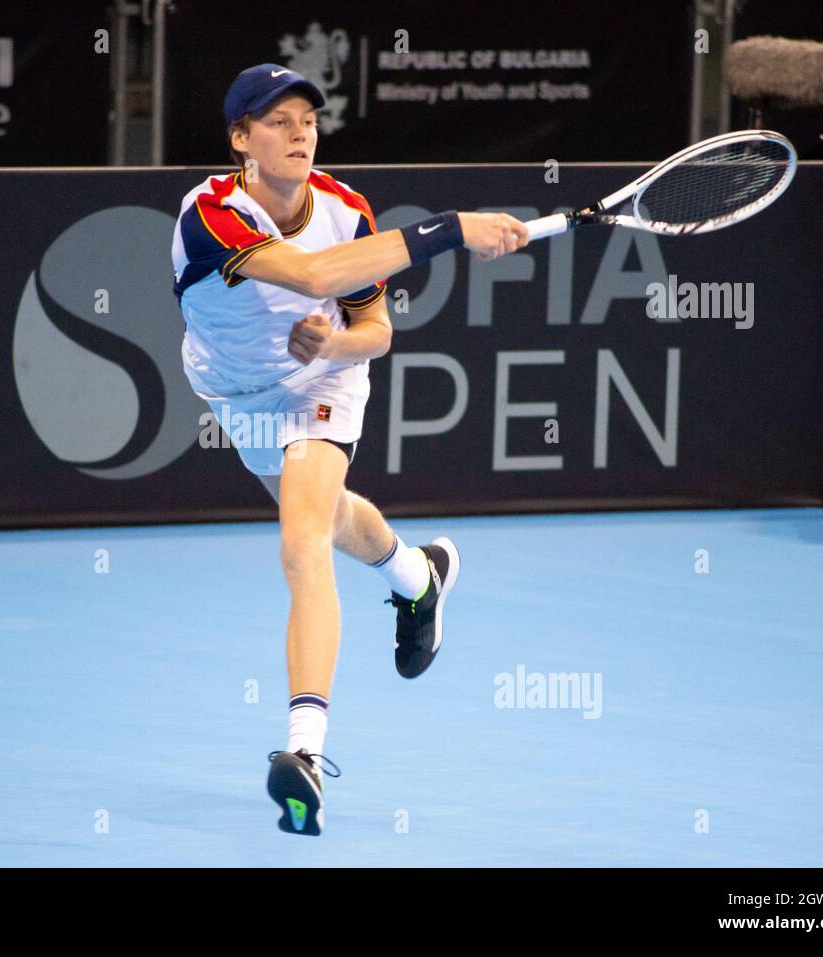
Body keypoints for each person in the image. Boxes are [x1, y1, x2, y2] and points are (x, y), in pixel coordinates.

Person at [170, 63, 529, 836]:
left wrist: (332, 345)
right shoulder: (209, 214)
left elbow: (376, 330)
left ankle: (303, 750)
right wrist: (454, 228)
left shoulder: (346, 207)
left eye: (308, 119)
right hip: (234, 392)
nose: (301, 132)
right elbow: (311, 272)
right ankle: (418, 574)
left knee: (302, 541)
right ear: (241, 140)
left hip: (320, 386)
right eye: (279, 121)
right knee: (330, 516)